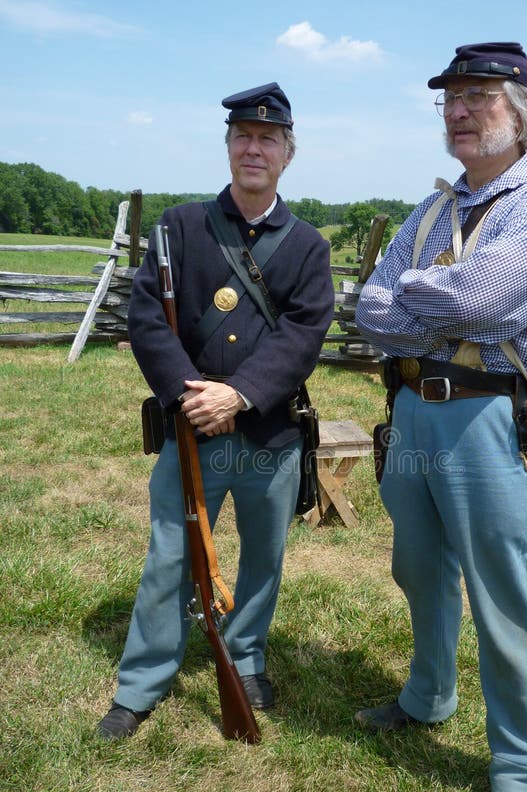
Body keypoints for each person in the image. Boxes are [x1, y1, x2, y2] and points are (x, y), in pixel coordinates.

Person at [354, 43, 527, 792]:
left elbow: (484, 300)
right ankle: (427, 697)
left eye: (477, 97)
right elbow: (367, 311)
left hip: (488, 415)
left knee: (500, 593)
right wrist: (437, 302)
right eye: (449, 98)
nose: (458, 110)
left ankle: (522, 776)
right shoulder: (431, 209)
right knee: (415, 566)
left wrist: (420, 297)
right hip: (411, 408)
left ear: (519, 111)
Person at [98, 83, 335, 740]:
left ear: (287, 154)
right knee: (170, 557)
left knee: (263, 556)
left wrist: (238, 393)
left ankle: (247, 653)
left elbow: (303, 334)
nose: (253, 148)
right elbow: (148, 319)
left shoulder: (308, 246)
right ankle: (142, 680)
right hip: (189, 426)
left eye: (267, 139)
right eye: (242, 137)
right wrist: (189, 392)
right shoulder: (179, 226)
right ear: (228, 146)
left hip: (268, 431)